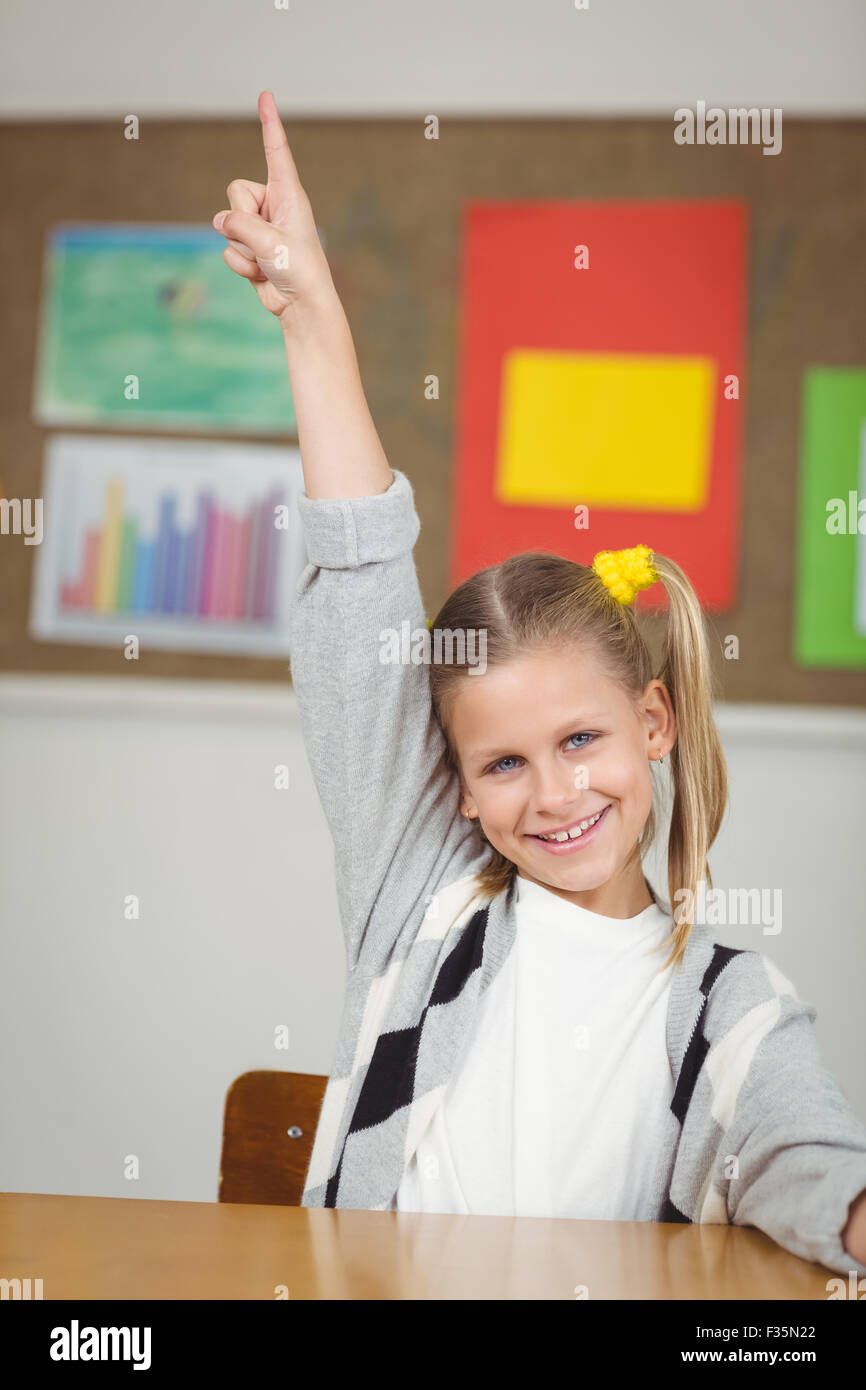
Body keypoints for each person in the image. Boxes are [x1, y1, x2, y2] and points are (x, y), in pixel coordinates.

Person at [212, 91, 866, 1276]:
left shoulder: (731, 1003)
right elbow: (358, 570)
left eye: (579, 740)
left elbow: (807, 1158)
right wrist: (310, 317)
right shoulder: (419, 903)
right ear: (451, 788)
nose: (551, 793)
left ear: (653, 721)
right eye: (501, 762)